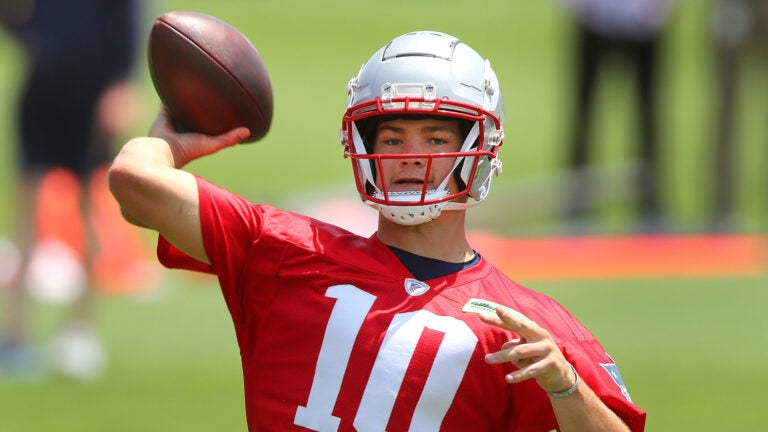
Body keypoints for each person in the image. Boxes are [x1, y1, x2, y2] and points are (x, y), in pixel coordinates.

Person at [109, 31, 646, 431]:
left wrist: (566, 385)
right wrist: (174, 142)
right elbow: (135, 180)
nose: (412, 158)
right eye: (391, 139)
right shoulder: (284, 250)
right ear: (363, 149)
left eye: (436, 139)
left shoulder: (527, 325)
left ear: (479, 148)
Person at [0, 0, 149, 380]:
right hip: (44, 80)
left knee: (90, 205)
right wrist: (30, 35)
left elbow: (130, 14)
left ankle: (80, 328)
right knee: (28, 200)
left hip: (92, 87)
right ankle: (18, 331)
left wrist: (122, 82)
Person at [557, 0, 678, 232]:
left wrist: (657, 11)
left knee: (648, 117)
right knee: (583, 116)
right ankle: (577, 201)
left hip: (645, 24)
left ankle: (650, 201)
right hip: (593, 20)